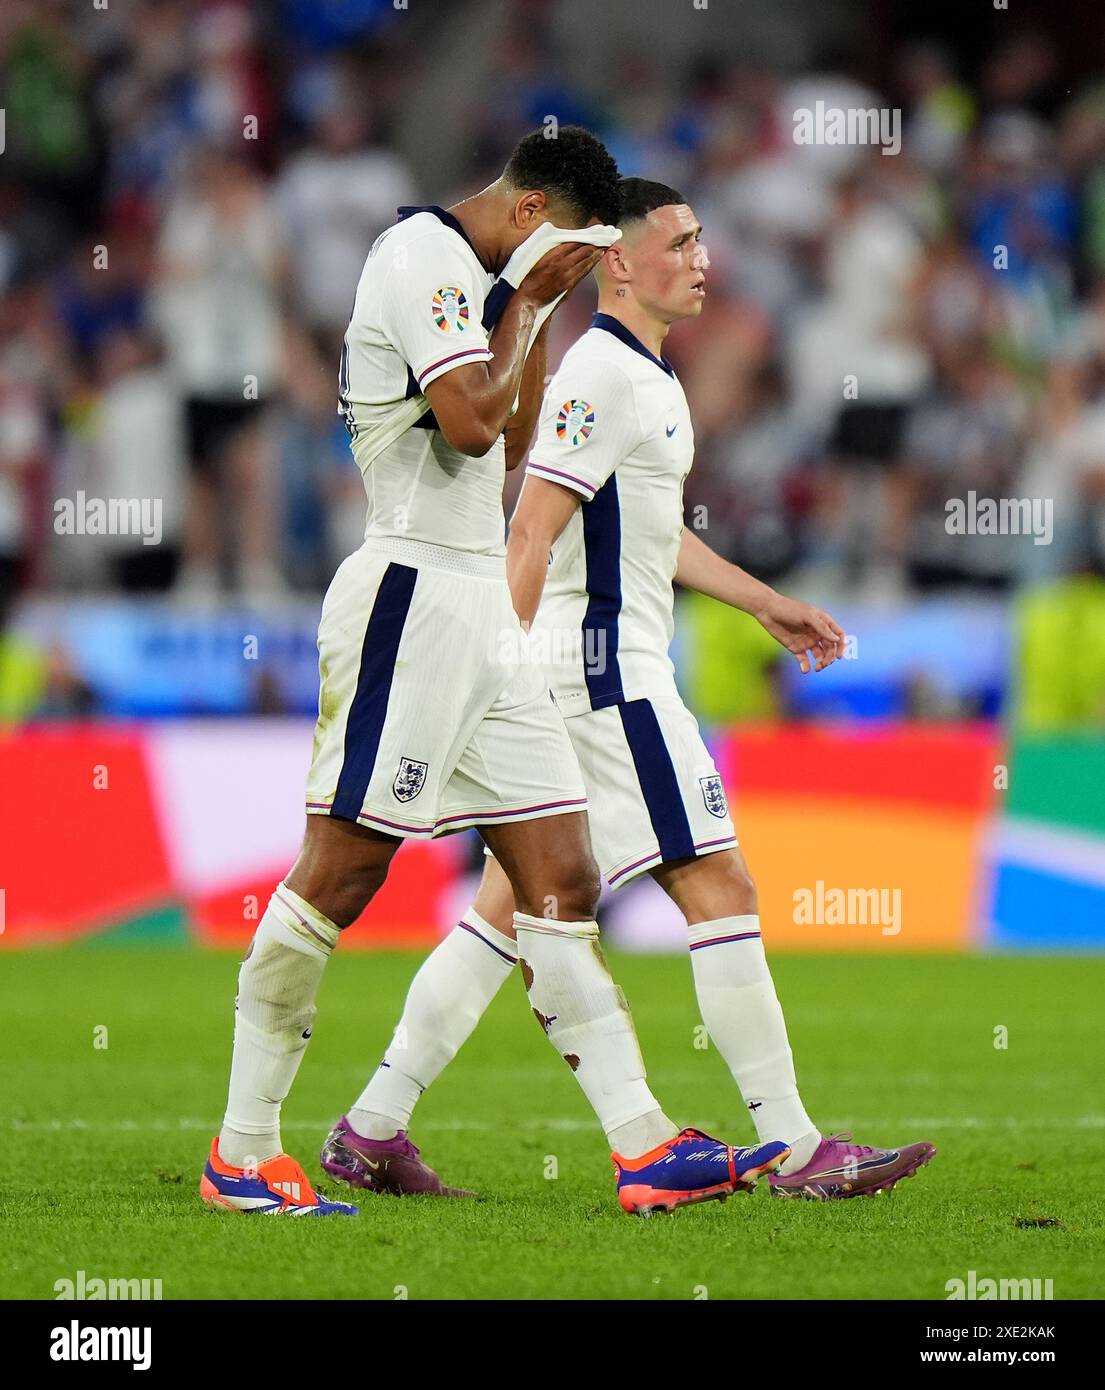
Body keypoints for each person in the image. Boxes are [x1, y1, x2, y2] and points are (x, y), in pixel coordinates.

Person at [202, 136, 789, 1219]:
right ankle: (241, 1148)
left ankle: (644, 1144)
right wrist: (523, 296)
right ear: (529, 212)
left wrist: (528, 304)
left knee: (557, 879)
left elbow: (505, 435)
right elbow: (470, 424)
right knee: (341, 875)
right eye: (567, 244)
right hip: (410, 595)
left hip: (484, 618)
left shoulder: (490, 283)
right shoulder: (419, 256)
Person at [329, 178, 937, 1203]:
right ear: (617, 261)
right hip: (605, 674)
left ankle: (372, 1125)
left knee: (509, 916)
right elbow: (530, 525)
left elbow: (653, 533)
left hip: (594, 665)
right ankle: (791, 1145)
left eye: (704, 241)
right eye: (681, 242)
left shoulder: (645, 379)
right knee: (719, 886)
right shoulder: (599, 376)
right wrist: (494, 661)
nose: (702, 259)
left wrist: (760, 601)